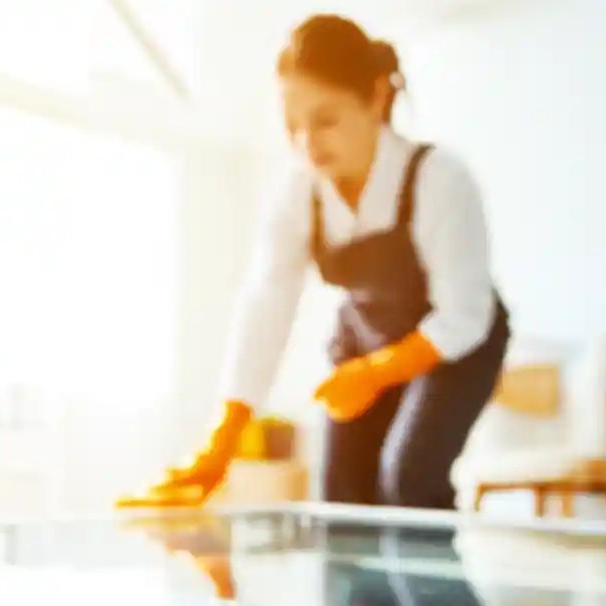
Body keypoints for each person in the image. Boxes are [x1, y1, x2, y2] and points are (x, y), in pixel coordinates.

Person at [119, 13, 511, 511]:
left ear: (376, 96)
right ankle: (359, 595)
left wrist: (376, 372)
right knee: (342, 496)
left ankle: (434, 593)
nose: (308, 143)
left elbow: (464, 315)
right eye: (293, 126)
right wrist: (221, 445)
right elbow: (267, 304)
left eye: (326, 120)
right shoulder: (299, 191)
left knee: (409, 478)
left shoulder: (440, 178)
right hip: (364, 340)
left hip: (458, 346)